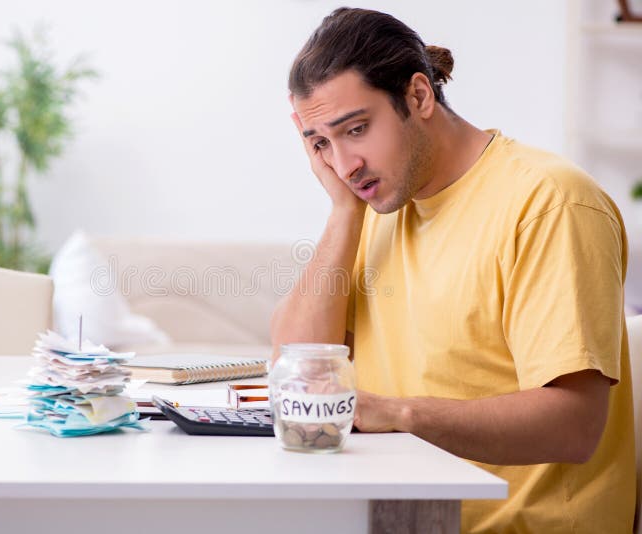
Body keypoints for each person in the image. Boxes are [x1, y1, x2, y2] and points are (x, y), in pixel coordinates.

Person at [270, 7, 635, 533]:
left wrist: (400, 417)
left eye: (356, 129)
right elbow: (293, 370)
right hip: (406, 518)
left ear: (418, 96)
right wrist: (343, 212)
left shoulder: (549, 203)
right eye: (322, 143)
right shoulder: (376, 206)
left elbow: (574, 427)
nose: (345, 164)